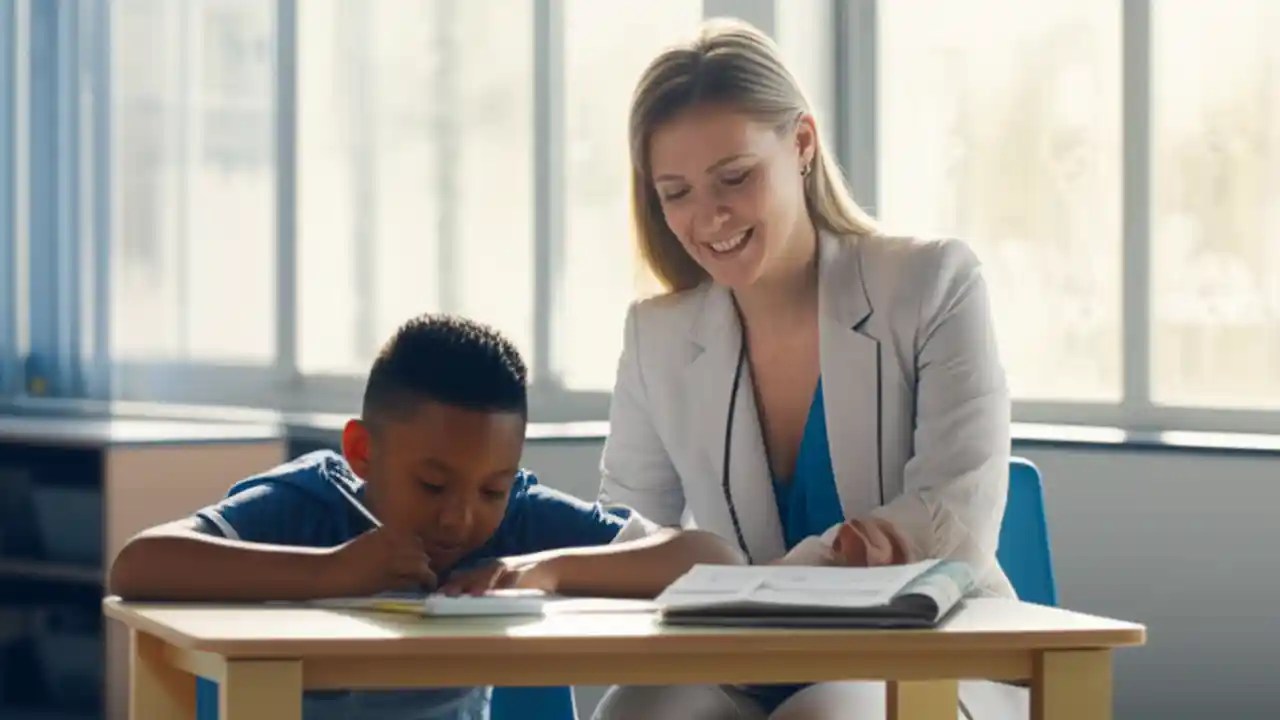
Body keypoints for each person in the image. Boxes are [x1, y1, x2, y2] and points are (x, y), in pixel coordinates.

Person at [592, 18, 1027, 720]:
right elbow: (626, 533)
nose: (709, 218)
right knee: (634, 712)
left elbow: (957, 515)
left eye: (734, 177)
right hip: (749, 665)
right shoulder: (657, 336)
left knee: (824, 714)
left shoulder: (932, 283)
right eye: (676, 193)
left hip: (933, 655)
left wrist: (757, 583)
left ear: (801, 144)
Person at [109, 313, 743, 720]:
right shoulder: (308, 506)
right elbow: (139, 563)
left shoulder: (515, 524)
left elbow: (713, 559)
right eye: (431, 484)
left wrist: (542, 569)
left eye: (491, 488)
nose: (461, 518)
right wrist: (327, 574)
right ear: (362, 451)